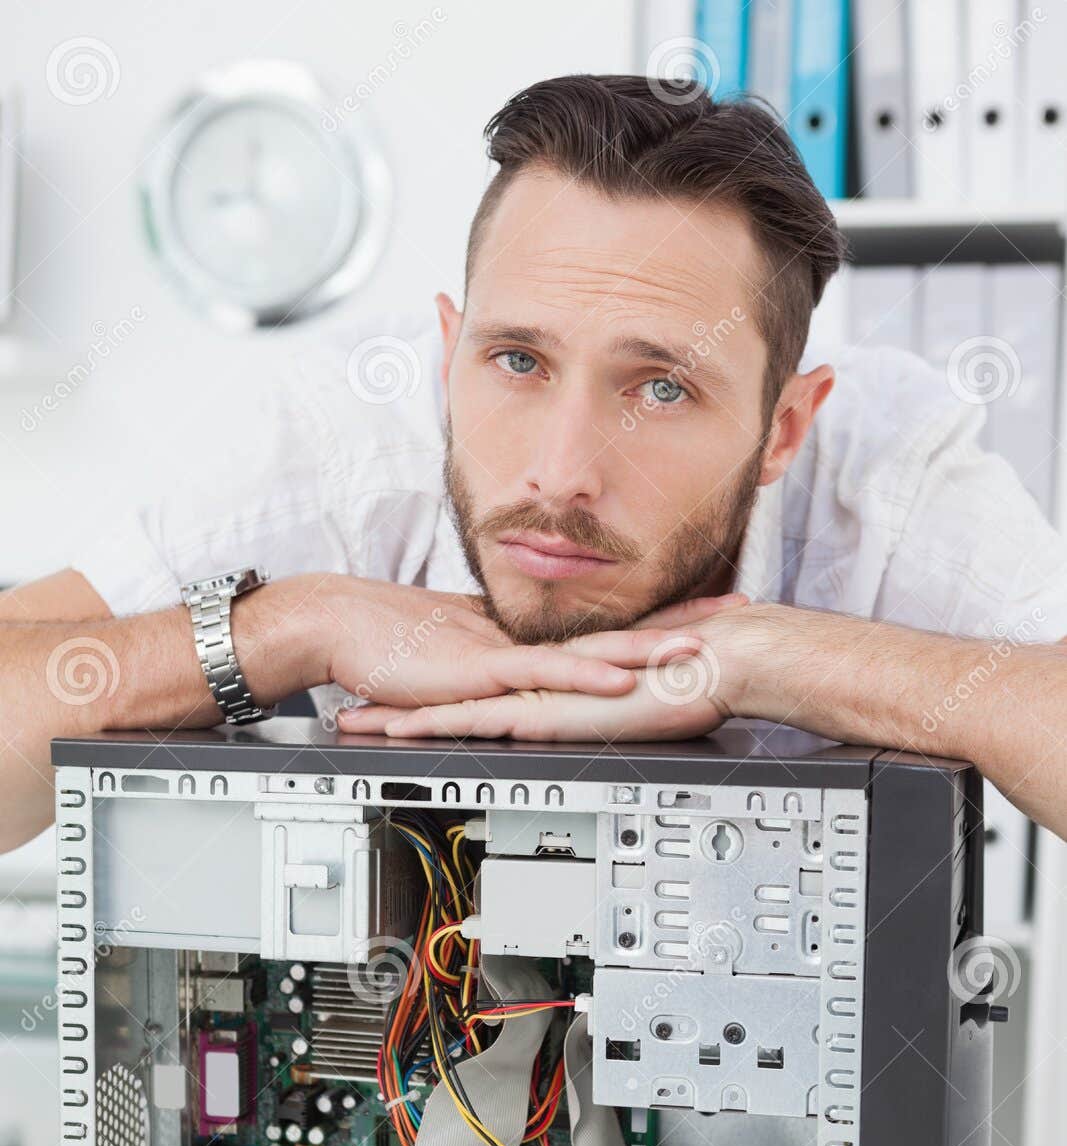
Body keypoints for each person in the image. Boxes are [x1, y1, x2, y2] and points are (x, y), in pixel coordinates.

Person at [3, 74, 1066, 854]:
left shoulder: (885, 474)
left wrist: (768, 659)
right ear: (447, 350)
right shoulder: (342, 442)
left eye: (659, 387)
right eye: (516, 360)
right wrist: (289, 624)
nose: (560, 476)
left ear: (782, 430)